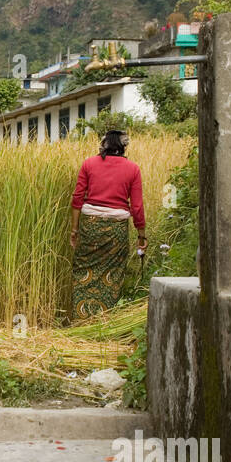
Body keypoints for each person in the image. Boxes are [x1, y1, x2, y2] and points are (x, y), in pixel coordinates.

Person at [68, 129, 145, 320]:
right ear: (124, 146)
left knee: (83, 270)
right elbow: (137, 207)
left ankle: (81, 321)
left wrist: (75, 229)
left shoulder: (89, 164)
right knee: (113, 274)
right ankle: (104, 323)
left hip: (90, 226)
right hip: (116, 229)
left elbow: (77, 198)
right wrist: (141, 236)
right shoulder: (132, 169)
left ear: (103, 145)